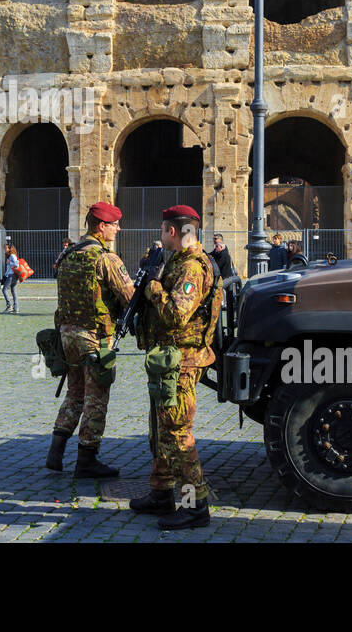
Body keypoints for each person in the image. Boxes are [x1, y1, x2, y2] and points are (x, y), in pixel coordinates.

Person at [129, 205, 221, 530]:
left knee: (178, 434)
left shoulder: (192, 269)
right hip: (168, 360)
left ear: (172, 231)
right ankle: (162, 493)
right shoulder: (179, 262)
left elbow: (176, 315)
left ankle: (194, 506)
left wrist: (153, 287)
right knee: (161, 430)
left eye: (163, 230)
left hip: (181, 361)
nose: (161, 237)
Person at [46, 201, 136, 478]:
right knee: (96, 399)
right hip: (94, 339)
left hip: (67, 336)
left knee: (75, 394)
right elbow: (129, 296)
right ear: (101, 227)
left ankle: (55, 452)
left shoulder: (68, 255)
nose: (119, 229)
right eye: (115, 225)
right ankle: (86, 460)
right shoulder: (105, 259)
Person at [0, 243, 21, 315]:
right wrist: (4, 277)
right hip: (12, 275)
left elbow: (16, 264)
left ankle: (9, 306)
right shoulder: (10, 256)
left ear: (10, 248)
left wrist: (10, 262)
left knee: (4, 290)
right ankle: (16, 308)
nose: (5, 249)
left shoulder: (12, 255)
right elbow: (9, 269)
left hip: (12, 276)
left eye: (6, 248)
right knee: (13, 291)